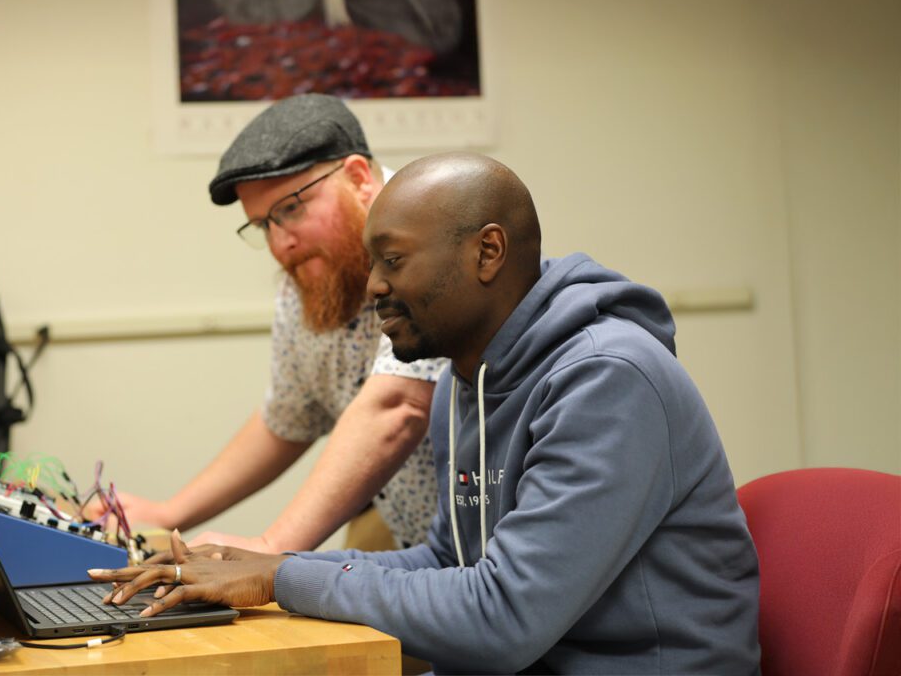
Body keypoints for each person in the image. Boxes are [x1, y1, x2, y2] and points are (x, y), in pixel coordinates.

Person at [90, 152, 761, 674]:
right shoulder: (463, 382)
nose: (374, 286)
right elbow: (448, 559)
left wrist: (280, 574)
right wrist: (259, 566)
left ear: (487, 252)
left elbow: (504, 618)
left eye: (394, 261)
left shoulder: (607, 379)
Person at [109, 94, 445, 554]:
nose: (280, 243)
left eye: (291, 208)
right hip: (425, 548)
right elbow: (289, 417)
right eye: (263, 225)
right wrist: (169, 514)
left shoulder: (429, 238)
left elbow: (400, 407)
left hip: (504, 552)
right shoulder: (314, 273)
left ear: (357, 178)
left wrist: (270, 548)